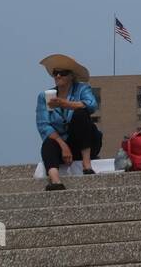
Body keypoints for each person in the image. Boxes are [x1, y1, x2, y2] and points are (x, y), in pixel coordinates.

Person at [36, 54, 101, 192]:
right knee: (48, 143)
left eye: (63, 73)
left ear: (72, 76)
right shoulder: (45, 96)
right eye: (55, 73)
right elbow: (43, 125)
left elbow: (92, 105)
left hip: (85, 141)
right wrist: (63, 145)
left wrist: (66, 104)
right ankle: (55, 181)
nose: (58, 76)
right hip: (63, 145)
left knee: (80, 113)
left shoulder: (82, 89)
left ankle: (87, 165)